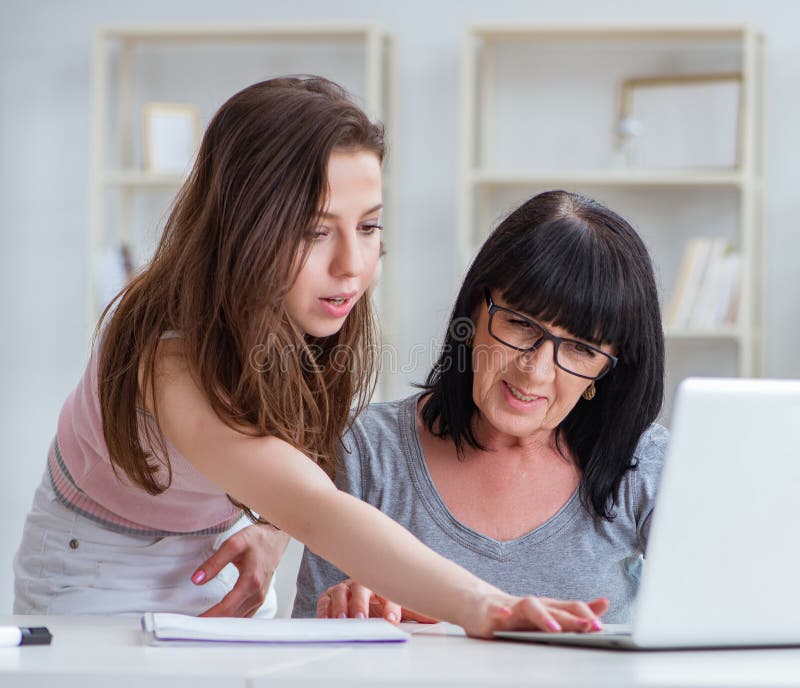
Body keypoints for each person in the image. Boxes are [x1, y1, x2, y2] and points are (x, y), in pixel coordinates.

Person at [13, 77, 605, 637]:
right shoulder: (167, 357)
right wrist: (486, 604)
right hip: (96, 566)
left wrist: (269, 529)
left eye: (369, 225)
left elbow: (304, 461)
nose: (352, 262)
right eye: (315, 231)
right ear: (244, 227)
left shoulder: (312, 311)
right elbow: (316, 508)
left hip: (221, 551)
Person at [294, 190, 667, 625]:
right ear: (475, 310)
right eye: (522, 325)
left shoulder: (645, 465)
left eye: (581, 349)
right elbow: (308, 662)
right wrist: (346, 616)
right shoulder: (366, 453)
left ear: (607, 369)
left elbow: (713, 635)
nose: (536, 371)